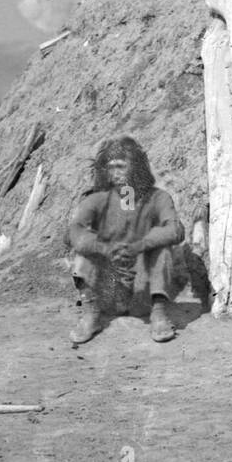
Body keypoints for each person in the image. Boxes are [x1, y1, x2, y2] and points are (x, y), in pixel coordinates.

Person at [68, 135, 183, 344]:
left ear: (137, 167)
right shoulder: (95, 199)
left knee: (162, 249)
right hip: (108, 292)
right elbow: (73, 233)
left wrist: (140, 245)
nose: (116, 173)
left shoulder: (158, 198)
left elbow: (175, 229)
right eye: (111, 167)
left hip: (144, 293)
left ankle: (159, 315)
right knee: (83, 253)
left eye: (121, 166)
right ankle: (90, 315)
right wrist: (105, 248)